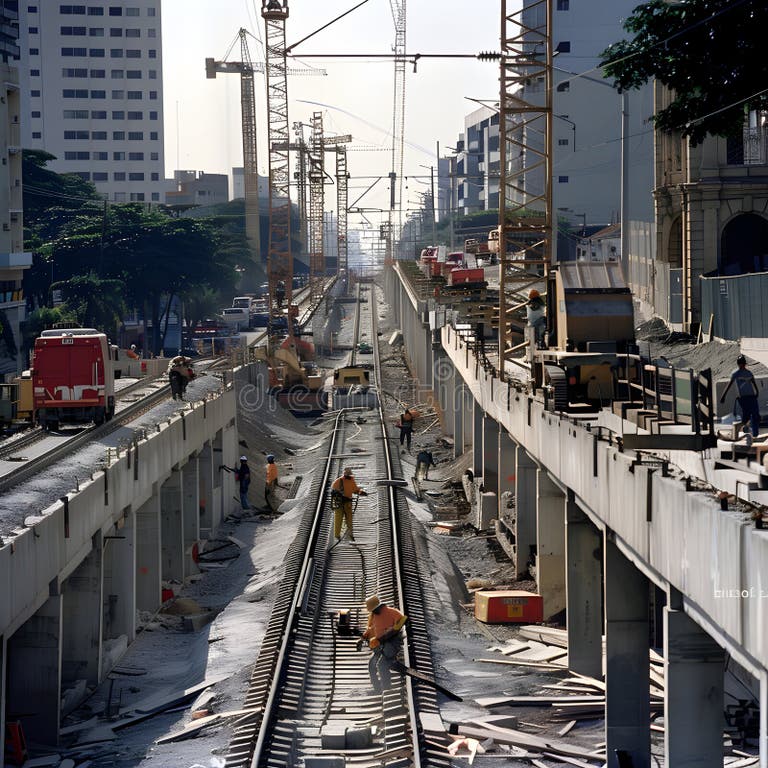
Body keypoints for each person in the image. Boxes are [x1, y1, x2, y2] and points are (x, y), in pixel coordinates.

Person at [358, 594, 407, 694]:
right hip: (379, 647)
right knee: (371, 665)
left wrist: (392, 631)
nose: (373, 612)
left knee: (382, 665)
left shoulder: (391, 612)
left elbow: (403, 620)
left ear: (379, 607)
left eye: (374, 610)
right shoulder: (373, 616)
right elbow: (370, 629)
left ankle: (386, 689)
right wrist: (362, 639)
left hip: (391, 645)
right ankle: (377, 689)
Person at [721, 355, 761, 442]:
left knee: (756, 416)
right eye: (741, 364)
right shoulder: (735, 374)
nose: (742, 365)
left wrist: (757, 392)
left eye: (743, 364)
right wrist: (723, 396)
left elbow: (753, 382)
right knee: (745, 418)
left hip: (752, 397)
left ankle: (755, 435)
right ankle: (739, 430)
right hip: (743, 399)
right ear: (738, 364)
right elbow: (729, 384)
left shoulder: (749, 373)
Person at [330, 467, 367, 541]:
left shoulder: (351, 480)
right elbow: (333, 492)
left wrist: (361, 492)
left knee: (349, 519)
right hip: (339, 504)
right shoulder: (338, 481)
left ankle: (350, 534)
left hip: (348, 503)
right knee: (338, 519)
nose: (348, 476)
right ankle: (337, 535)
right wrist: (340, 497)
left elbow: (355, 490)